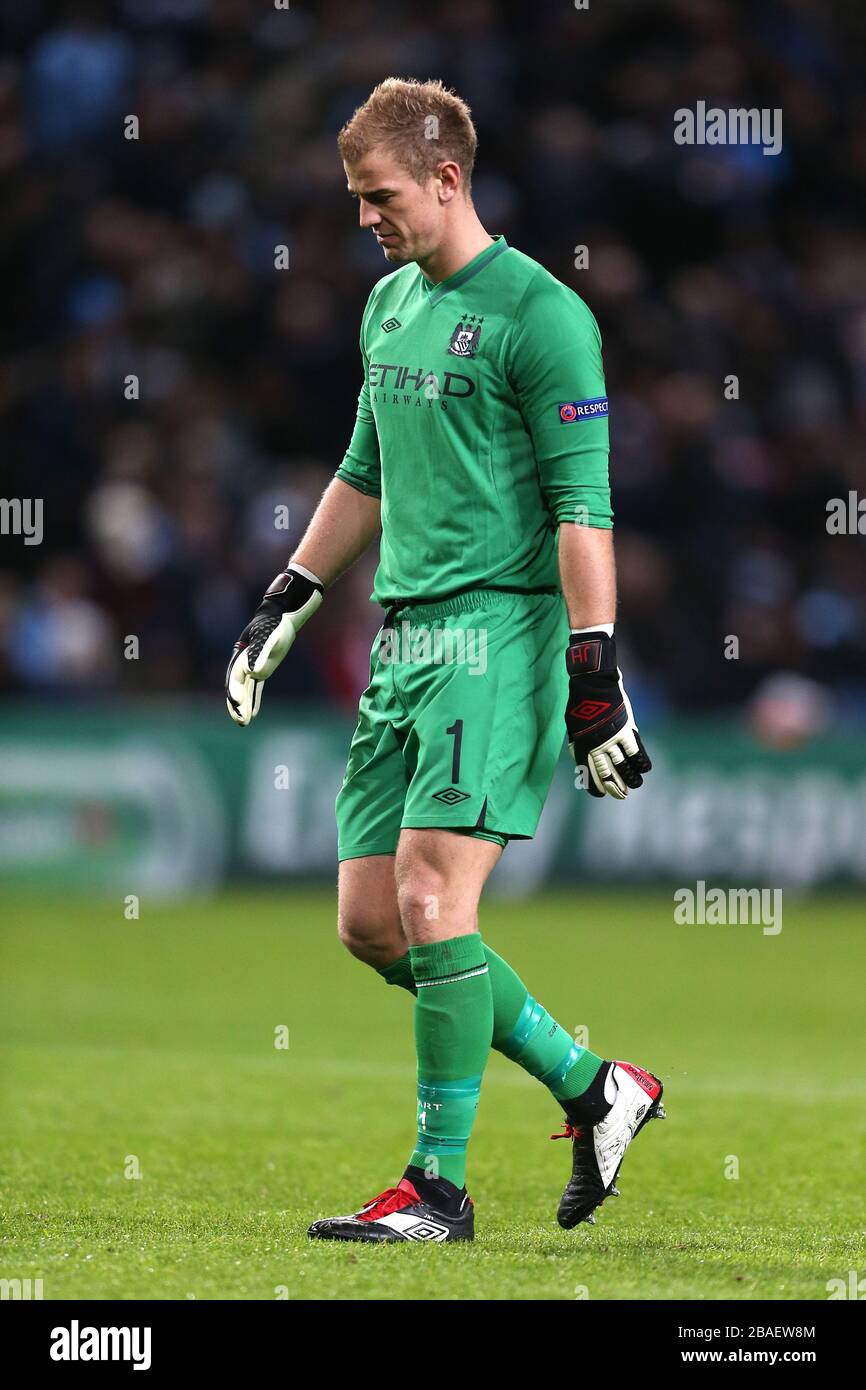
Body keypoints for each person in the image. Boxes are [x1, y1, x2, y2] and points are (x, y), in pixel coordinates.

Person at [225, 77, 664, 1244]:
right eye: (355, 198)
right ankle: (591, 1085)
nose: (366, 215)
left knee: (431, 895)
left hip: (496, 633)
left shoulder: (543, 316)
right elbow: (364, 469)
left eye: (379, 195)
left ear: (446, 178)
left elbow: (583, 509)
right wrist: (290, 592)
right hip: (402, 637)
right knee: (372, 922)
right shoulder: (388, 309)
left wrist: (592, 671)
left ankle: (436, 1187)